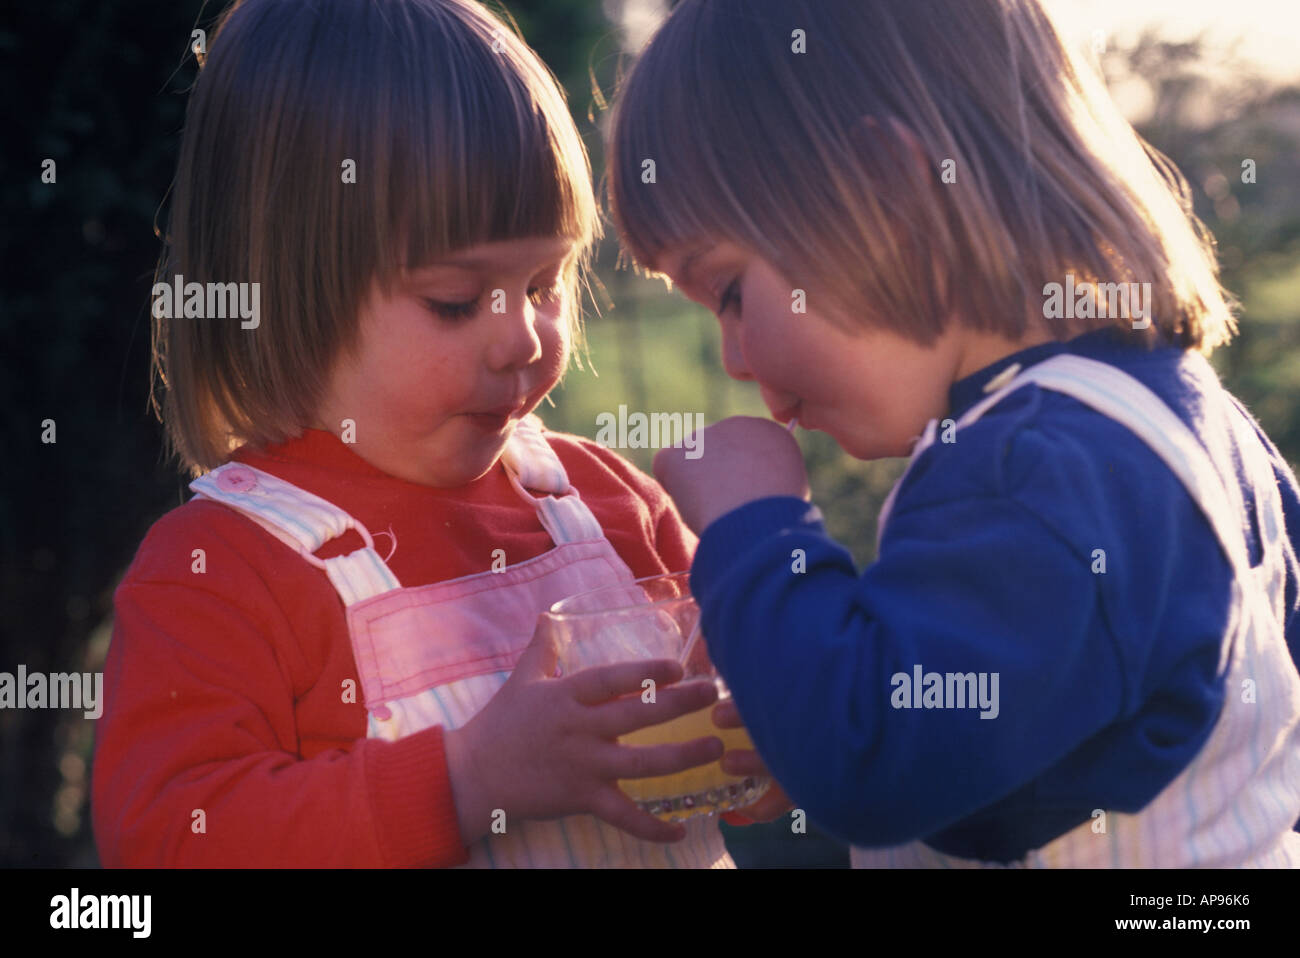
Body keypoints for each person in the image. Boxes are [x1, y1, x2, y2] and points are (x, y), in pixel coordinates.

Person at [609, 0, 1300, 866]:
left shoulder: (1035, 466)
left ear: (889, 191)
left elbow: (873, 761)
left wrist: (755, 532)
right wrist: (797, 710)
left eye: (731, 291)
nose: (735, 357)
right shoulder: (1186, 427)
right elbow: (1008, 759)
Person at [93, 0, 750, 868]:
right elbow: (169, 841)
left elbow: (748, 759)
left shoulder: (611, 509)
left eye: (547, 281)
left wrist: (765, 732)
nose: (523, 336)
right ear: (290, 293)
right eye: (456, 299)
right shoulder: (220, 575)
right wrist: (468, 777)